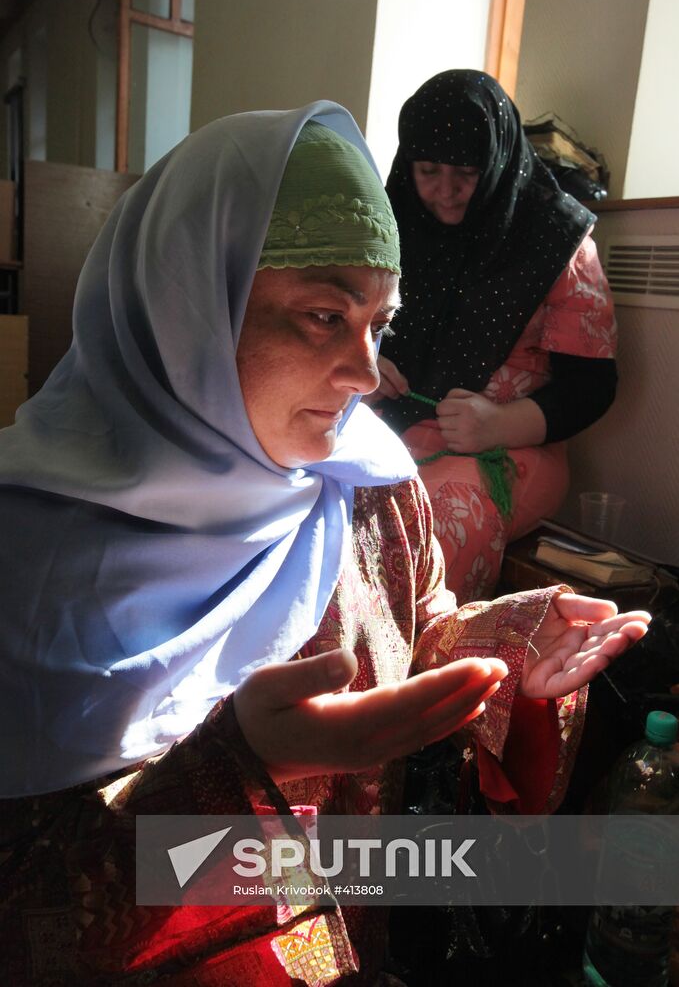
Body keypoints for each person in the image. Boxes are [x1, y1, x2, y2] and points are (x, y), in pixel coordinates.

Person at [0, 103, 648, 986]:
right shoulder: (29, 554)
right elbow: (26, 909)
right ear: (187, 308)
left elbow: (415, 630)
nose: (365, 373)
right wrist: (241, 770)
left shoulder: (365, 483)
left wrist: (504, 647)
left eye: (379, 324)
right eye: (320, 316)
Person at [375, 70, 617, 603]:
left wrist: (499, 424)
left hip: (506, 447)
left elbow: (591, 386)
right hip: (390, 426)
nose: (445, 191)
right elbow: (343, 325)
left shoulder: (555, 240)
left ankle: (430, 654)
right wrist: (364, 363)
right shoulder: (393, 220)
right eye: (427, 171)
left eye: (466, 173)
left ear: (499, 162)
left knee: (423, 527)